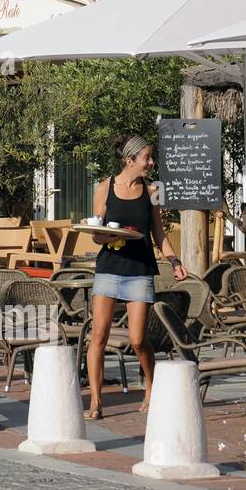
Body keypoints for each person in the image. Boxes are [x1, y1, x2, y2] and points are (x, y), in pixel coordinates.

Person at [85, 135, 187, 419]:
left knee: (139, 339)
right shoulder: (104, 188)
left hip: (140, 271)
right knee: (98, 335)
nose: (152, 163)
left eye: (151, 157)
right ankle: (96, 401)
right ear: (129, 160)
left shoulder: (154, 190)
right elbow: (96, 233)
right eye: (147, 158)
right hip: (109, 267)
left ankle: (152, 387)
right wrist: (105, 235)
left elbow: (159, 233)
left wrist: (175, 260)